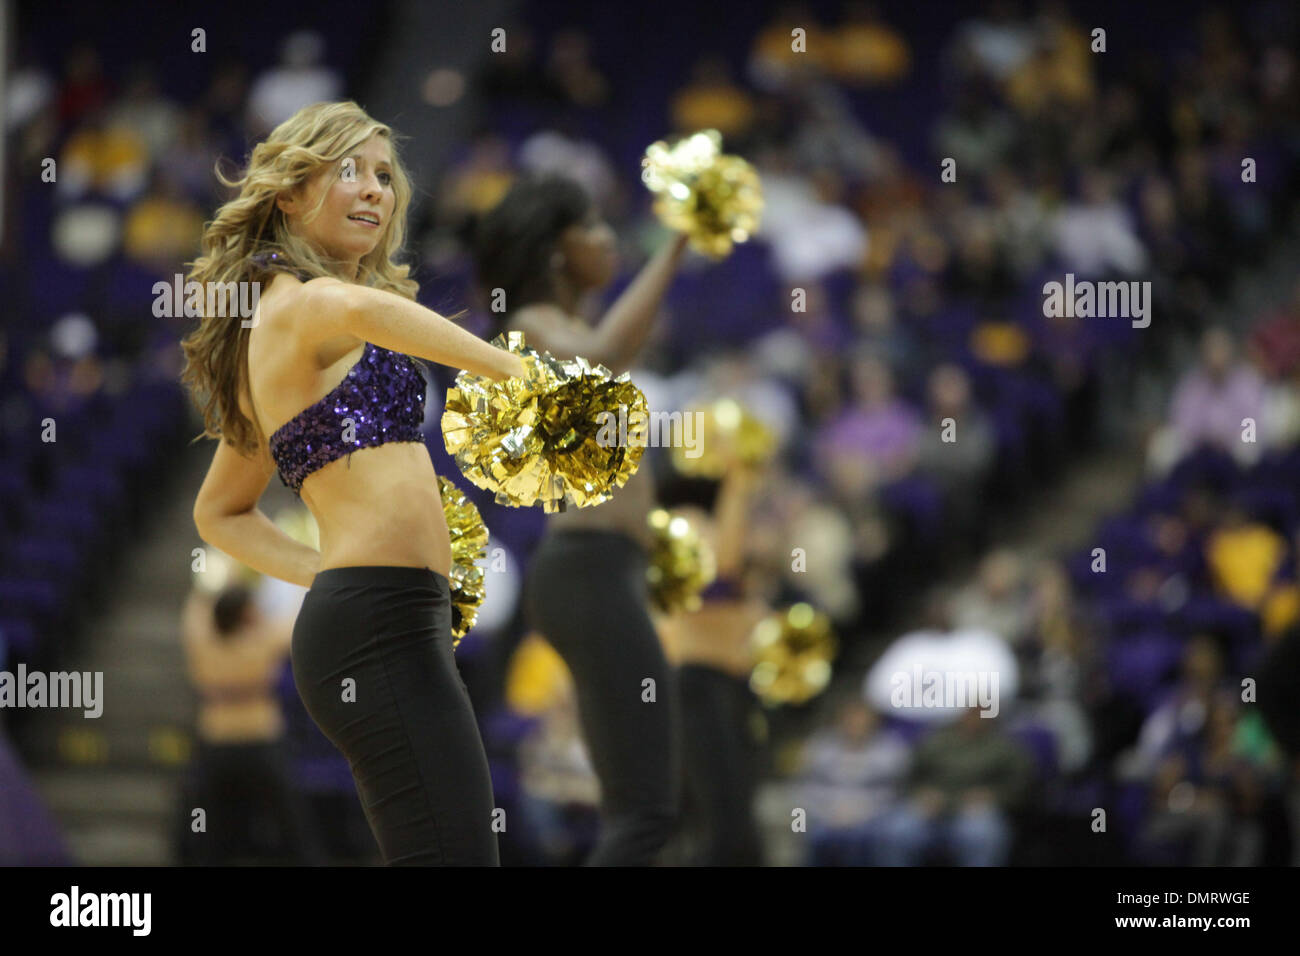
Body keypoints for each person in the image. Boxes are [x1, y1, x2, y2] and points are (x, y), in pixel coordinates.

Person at [182, 100, 525, 866]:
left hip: (378, 613)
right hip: (378, 621)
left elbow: (221, 513)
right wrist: (516, 371)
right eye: (349, 172)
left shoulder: (289, 325)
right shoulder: (304, 306)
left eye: (383, 175)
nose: (376, 189)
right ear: (289, 194)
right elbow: (359, 304)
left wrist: (325, 576)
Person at [473, 172, 690, 864]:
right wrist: (680, 241)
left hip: (604, 573)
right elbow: (602, 357)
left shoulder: (563, 327)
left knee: (638, 808)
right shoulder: (531, 324)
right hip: (589, 572)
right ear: (557, 248)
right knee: (648, 811)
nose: (608, 239)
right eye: (593, 227)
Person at [657, 464, 770, 865]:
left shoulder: (718, 527)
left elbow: (736, 595)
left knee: (735, 807)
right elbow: (718, 573)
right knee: (723, 811)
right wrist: (741, 484)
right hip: (698, 682)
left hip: (730, 682)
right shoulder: (685, 522)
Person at [180, 583, 325, 865]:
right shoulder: (262, 640)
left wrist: (214, 583)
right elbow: (297, 619)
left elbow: (194, 609)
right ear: (245, 616)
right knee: (290, 820)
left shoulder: (202, 642)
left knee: (211, 821)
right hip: (261, 739)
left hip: (216, 740)